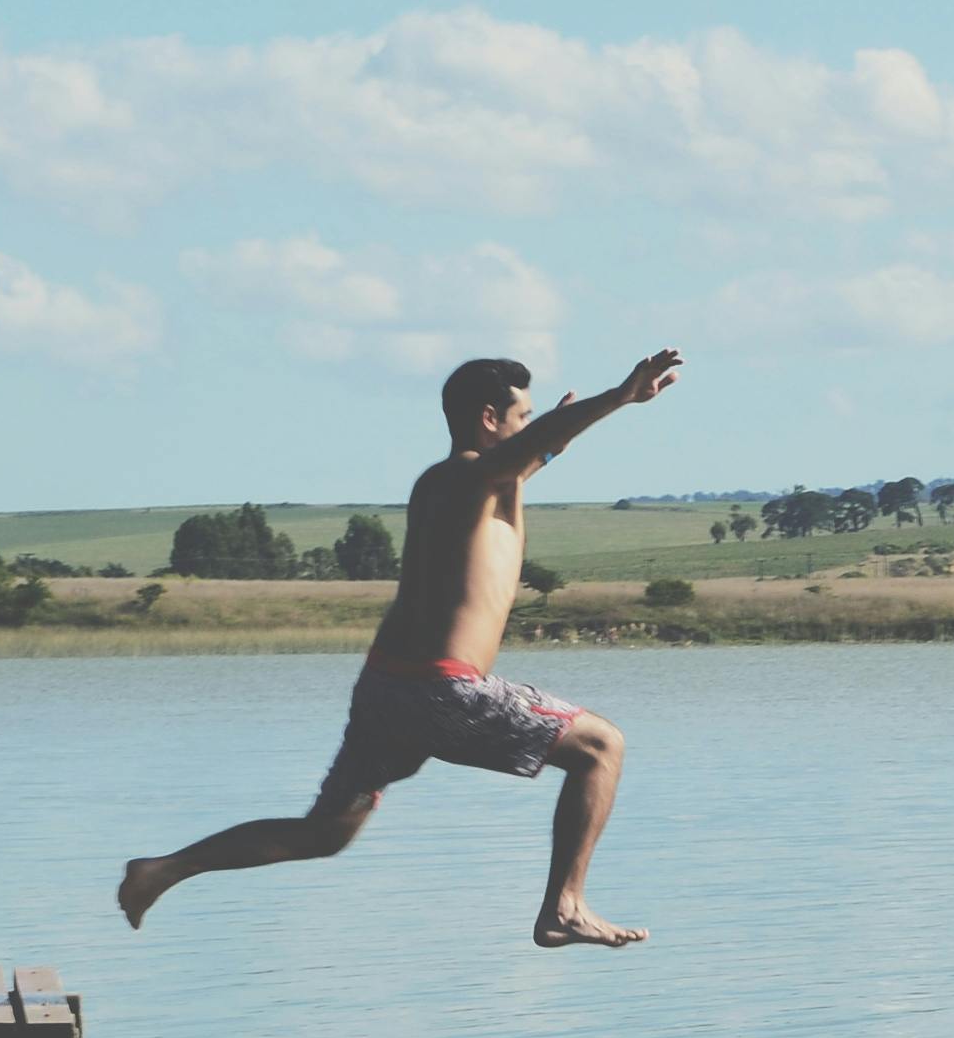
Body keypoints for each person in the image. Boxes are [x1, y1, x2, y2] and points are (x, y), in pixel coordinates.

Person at [120, 348, 685, 945]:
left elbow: (535, 452)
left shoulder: (483, 487)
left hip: (389, 690)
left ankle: (162, 870)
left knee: (325, 834)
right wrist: (618, 396)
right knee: (601, 746)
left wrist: (565, 431)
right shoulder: (457, 477)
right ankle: (565, 906)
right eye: (523, 418)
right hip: (437, 688)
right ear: (490, 418)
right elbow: (525, 452)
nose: (531, 433)